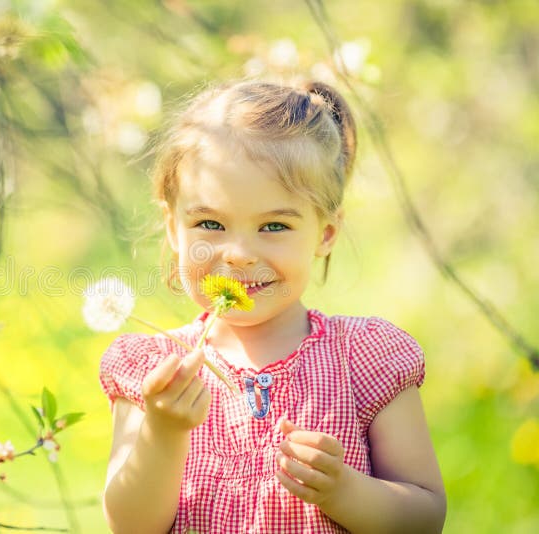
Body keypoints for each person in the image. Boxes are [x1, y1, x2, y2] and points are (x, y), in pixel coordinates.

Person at [99, 80, 446, 533]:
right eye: (210, 223)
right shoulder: (153, 372)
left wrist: (343, 490)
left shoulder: (366, 358)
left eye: (274, 226)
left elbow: (425, 518)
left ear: (325, 232)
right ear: (173, 227)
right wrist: (162, 433)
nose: (239, 254)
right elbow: (131, 526)